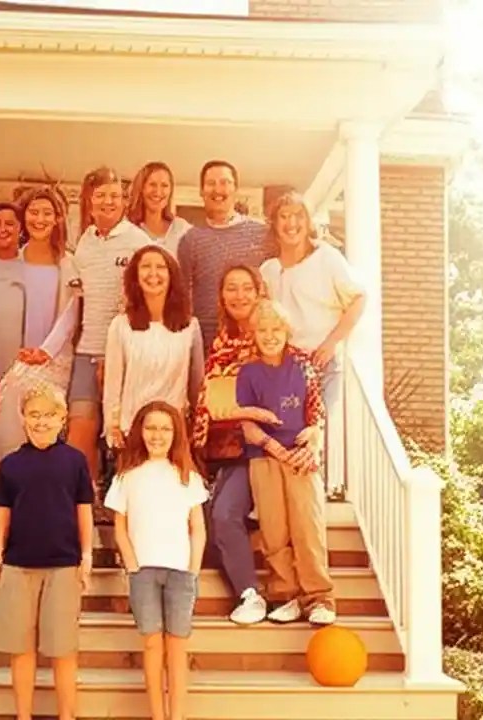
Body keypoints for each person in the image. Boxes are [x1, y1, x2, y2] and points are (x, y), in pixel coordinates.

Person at [0, 386, 94, 720]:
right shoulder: (11, 464)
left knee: (63, 648)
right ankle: (23, 715)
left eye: (49, 415)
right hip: (19, 564)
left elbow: (84, 510)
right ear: (23, 418)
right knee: (21, 647)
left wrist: (87, 555)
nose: (41, 422)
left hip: (64, 565)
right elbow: (2, 511)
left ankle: (67, 715)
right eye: (34, 414)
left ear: (62, 419)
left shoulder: (75, 461)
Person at [0, 200, 76, 466]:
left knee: (41, 443)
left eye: (10, 223)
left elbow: (71, 312)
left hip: (41, 369)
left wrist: (45, 352)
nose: (3, 229)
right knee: (0, 447)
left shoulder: (57, 265)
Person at [235, 299, 336, 626]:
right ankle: (286, 595)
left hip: (301, 457)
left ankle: (319, 597)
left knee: (307, 526)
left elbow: (316, 412)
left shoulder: (303, 365)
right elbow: (247, 425)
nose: (269, 335)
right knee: (274, 529)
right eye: (262, 329)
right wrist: (277, 450)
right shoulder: (247, 372)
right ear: (254, 333)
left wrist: (315, 439)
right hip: (264, 457)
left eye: (276, 329)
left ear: (287, 331)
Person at [105, 401, 207, 720]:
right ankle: (157, 715)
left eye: (165, 428)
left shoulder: (188, 477)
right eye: (151, 427)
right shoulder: (127, 475)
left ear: (176, 434)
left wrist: (193, 569)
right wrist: (132, 566)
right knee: (152, 644)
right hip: (143, 572)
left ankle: (176, 716)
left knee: (177, 646)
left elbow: (198, 529)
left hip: (180, 571)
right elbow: (120, 527)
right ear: (140, 431)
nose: (157, 435)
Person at [257, 191, 365, 478]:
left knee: (318, 438)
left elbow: (358, 300)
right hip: (286, 370)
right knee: (289, 443)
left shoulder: (327, 258)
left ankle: (323, 500)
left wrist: (332, 343)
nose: (291, 223)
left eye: (298, 216)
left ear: (308, 221)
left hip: (322, 364)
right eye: (284, 216)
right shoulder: (268, 271)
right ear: (274, 223)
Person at [69, 166, 154, 484]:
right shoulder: (84, 242)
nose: (108, 202)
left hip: (125, 353)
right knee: (80, 431)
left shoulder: (139, 241)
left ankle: (123, 503)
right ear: (89, 201)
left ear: (124, 201)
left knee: (124, 432)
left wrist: (115, 355)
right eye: (101, 195)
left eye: (115, 196)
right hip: (85, 350)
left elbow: (146, 296)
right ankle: (86, 506)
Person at [103, 245, 203, 449]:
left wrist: (195, 430)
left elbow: (197, 386)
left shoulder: (190, 327)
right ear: (135, 276)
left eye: (161, 267)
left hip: (173, 433)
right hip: (131, 431)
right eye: (146, 266)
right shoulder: (121, 326)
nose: (153, 273)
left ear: (172, 275)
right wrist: (112, 427)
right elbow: (113, 384)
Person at [176, 160, 271, 344]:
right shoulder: (190, 240)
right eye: (211, 183)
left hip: (254, 341)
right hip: (208, 341)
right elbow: (182, 297)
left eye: (225, 182)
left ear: (235, 189)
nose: (217, 190)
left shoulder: (262, 234)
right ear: (201, 191)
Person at [127, 161, 193, 257]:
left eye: (164, 185)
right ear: (141, 188)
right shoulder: (127, 230)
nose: (158, 192)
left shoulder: (182, 229)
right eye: (152, 184)